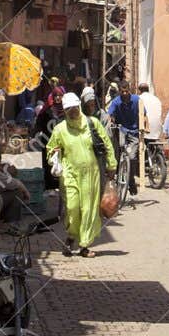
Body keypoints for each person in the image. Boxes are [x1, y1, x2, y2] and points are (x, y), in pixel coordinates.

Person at [46, 91, 116, 257]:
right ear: (64, 110)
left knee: (88, 209)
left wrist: (111, 164)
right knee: (72, 207)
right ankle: (71, 235)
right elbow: (50, 149)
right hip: (70, 173)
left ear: (79, 106)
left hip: (91, 174)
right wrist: (54, 158)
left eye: (74, 108)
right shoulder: (60, 129)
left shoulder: (93, 124)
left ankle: (84, 245)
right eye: (69, 109)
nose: (73, 111)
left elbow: (107, 144)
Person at [106, 81, 141, 196]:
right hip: (121, 130)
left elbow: (143, 115)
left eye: (126, 91)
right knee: (119, 151)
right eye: (122, 91)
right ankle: (119, 173)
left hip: (134, 132)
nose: (125, 93)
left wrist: (145, 126)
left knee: (131, 157)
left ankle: (131, 181)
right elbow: (110, 114)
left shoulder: (137, 100)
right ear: (119, 91)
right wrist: (111, 120)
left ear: (129, 89)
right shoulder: (116, 101)